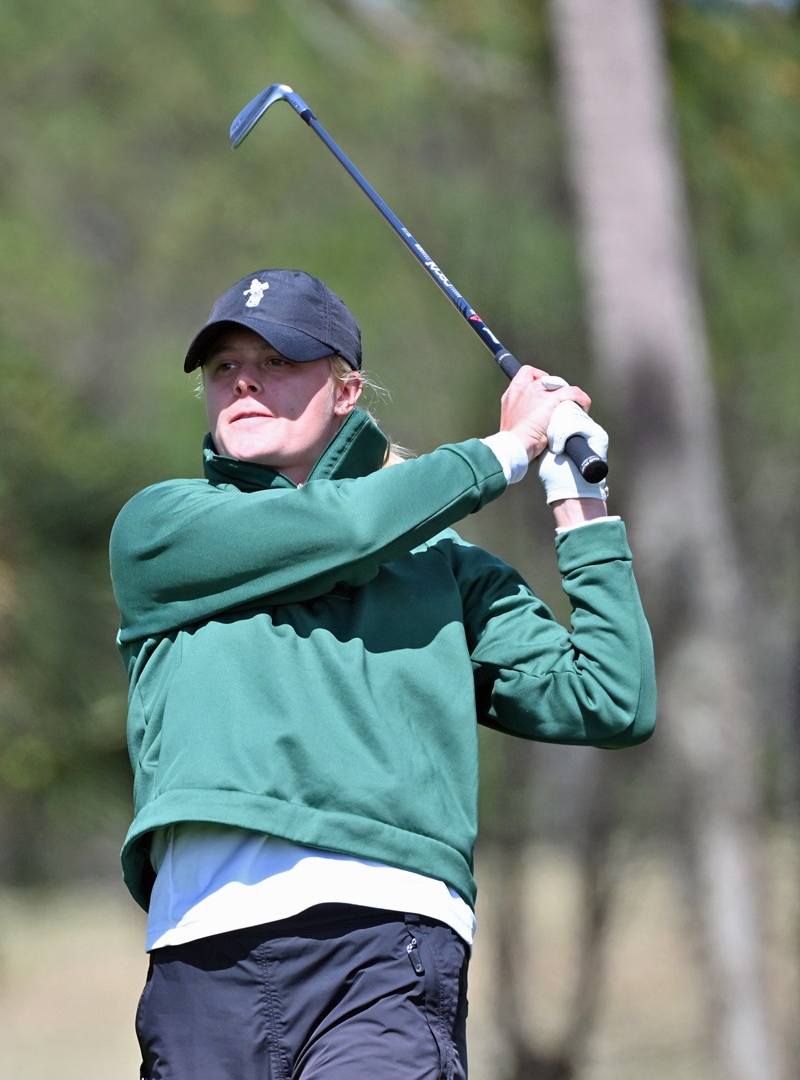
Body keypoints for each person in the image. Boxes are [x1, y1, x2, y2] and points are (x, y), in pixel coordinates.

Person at [109, 269, 656, 1079]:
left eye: (278, 360)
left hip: (384, 954)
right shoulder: (163, 530)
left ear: (346, 391)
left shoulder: (440, 567)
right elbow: (339, 530)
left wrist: (579, 497)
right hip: (201, 965)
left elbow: (609, 698)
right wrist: (504, 451)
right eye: (224, 366)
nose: (244, 381)